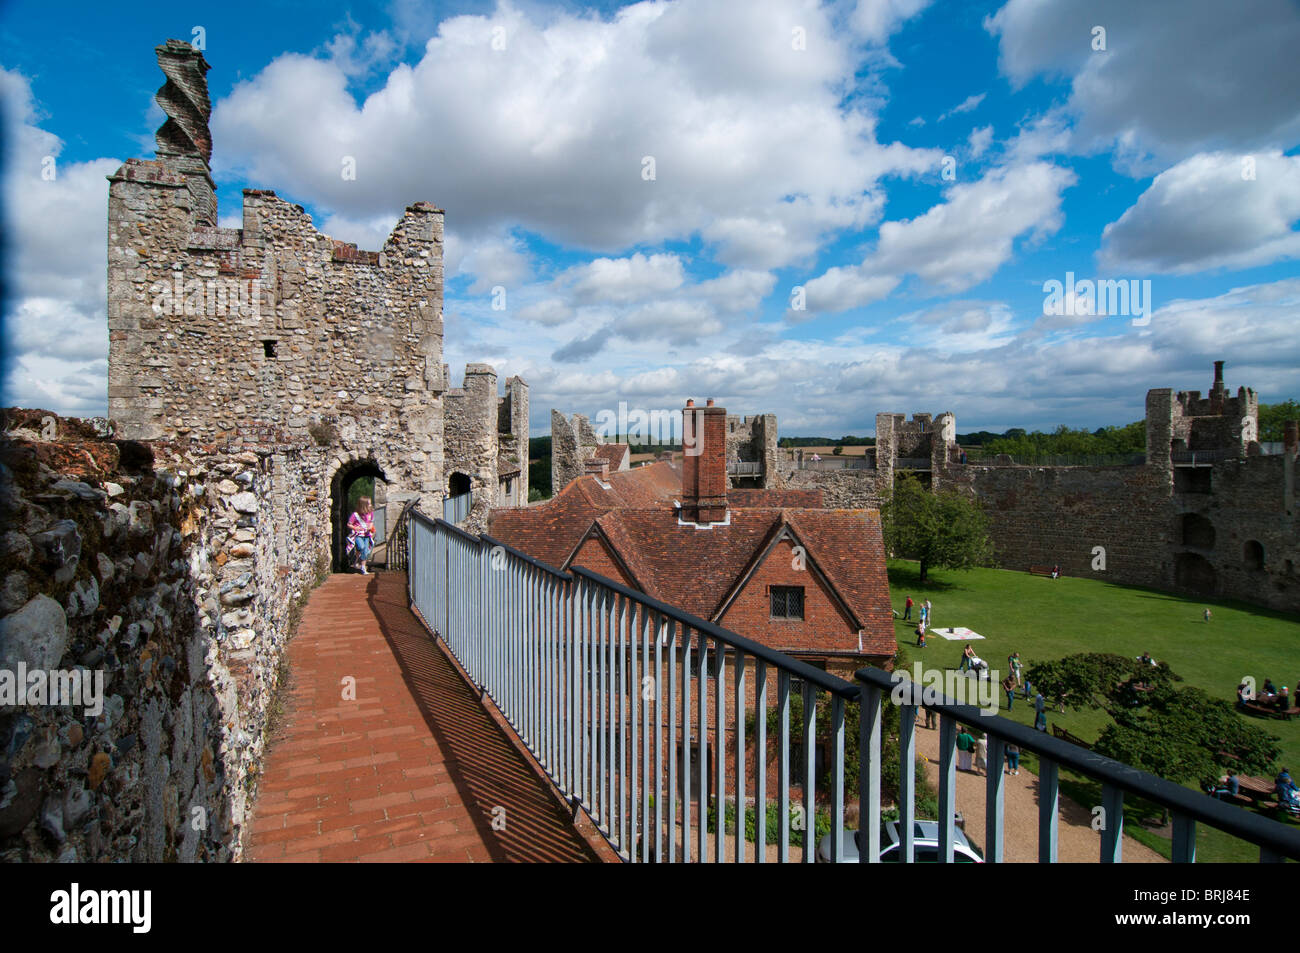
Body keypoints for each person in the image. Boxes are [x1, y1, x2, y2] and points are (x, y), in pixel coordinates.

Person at [346, 495, 376, 575]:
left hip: (366, 535)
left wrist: (370, 527)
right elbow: (349, 524)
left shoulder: (370, 514)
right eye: (369, 504)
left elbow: (371, 521)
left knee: (365, 551)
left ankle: (363, 567)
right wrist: (355, 528)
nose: (370, 505)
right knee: (361, 547)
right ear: (363, 505)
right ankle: (357, 559)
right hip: (358, 535)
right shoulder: (355, 515)